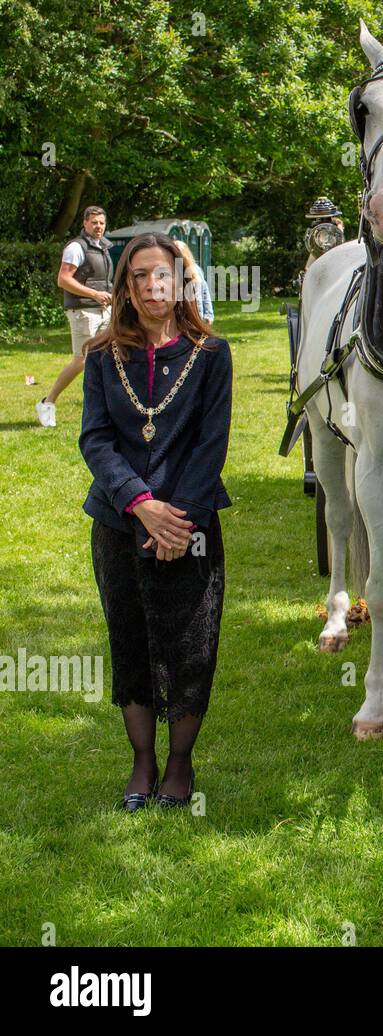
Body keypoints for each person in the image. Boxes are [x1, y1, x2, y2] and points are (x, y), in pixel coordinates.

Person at [79, 232, 232, 812]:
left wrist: (178, 524)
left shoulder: (212, 354)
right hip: (120, 526)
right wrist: (140, 504)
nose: (151, 286)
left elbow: (210, 444)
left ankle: (179, 764)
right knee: (132, 642)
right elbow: (95, 439)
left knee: (190, 644)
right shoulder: (101, 355)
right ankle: (142, 761)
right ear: (125, 286)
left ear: (180, 280)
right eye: (138, 276)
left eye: (161, 274)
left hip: (190, 529)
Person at [35, 206, 114, 427]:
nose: (98, 226)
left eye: (101, 222)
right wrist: (95, 294)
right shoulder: (75, 247)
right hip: (83, 311)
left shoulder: (103, 248)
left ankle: (106, 409)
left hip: (103, 311)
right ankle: (47, 402)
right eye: (94, 222)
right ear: (85, 224)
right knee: (81, 361)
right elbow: (63, 280)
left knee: (107, 358)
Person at [174, 239, 214, 324]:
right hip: (178, 318)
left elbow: (204, 291)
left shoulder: (196, 270)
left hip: (198, 315)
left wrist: (209, 314)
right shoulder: (171, 271)